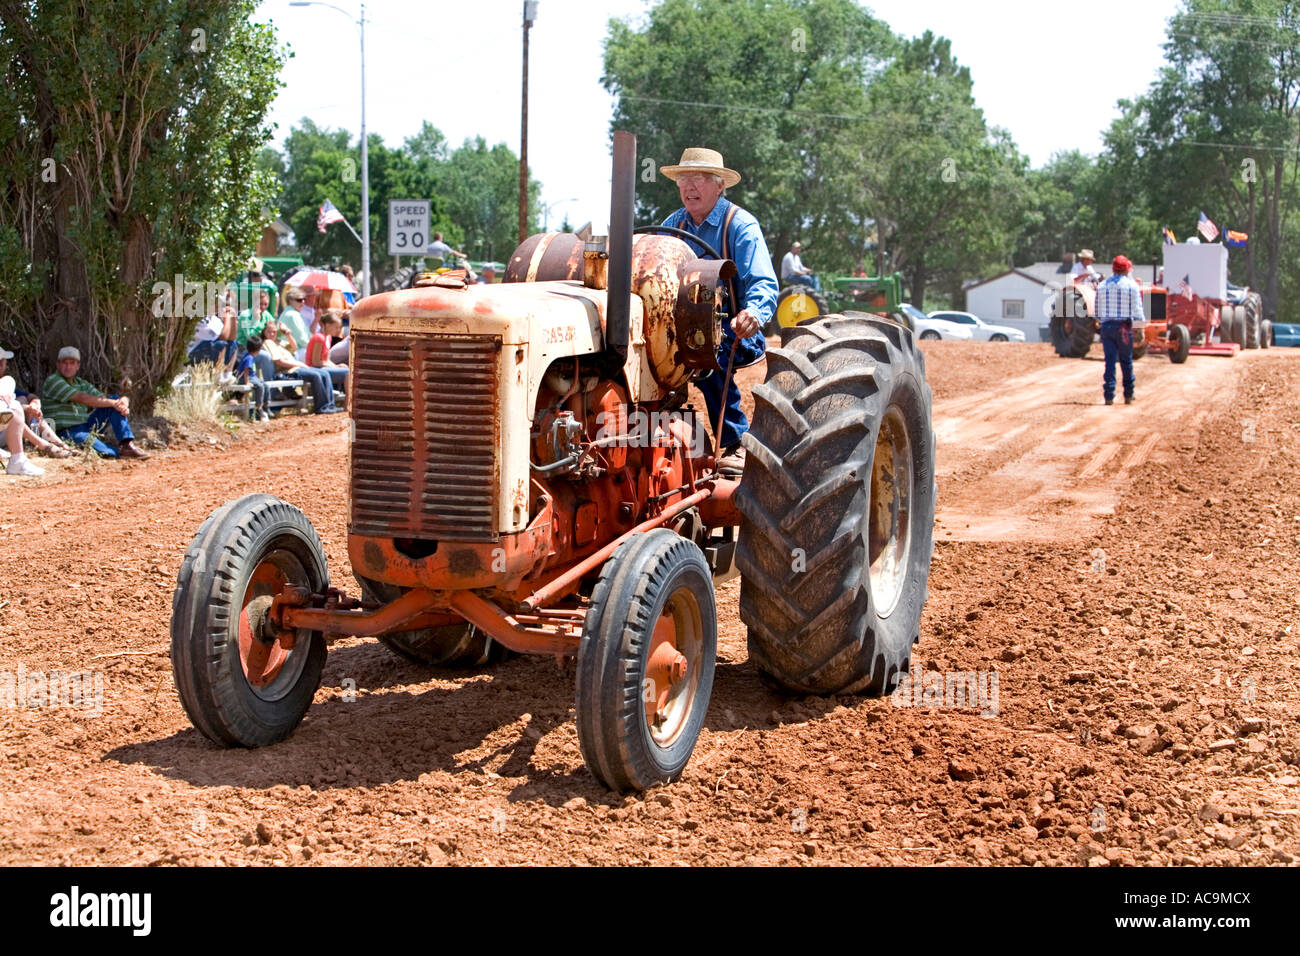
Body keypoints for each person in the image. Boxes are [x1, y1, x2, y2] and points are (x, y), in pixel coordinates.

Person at [660, 147, 777, 475]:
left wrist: (752, 314)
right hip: (681, 326)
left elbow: (764, 283)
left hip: (735, 329)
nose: (689, 187)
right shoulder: (673, 224)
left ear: (719, 186)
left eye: (697, 179)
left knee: (706, 350)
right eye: (683, 179)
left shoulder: (740, 226)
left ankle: (735, 441)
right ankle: (658, 431)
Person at [42, 347, 150, 459]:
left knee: (113, 399)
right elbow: (81, 398)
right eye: (64, 363)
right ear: (58, 365)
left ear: (77, 366)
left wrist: (123, 402)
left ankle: (126, 444)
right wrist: (115, 403)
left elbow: (103, 399)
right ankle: (117, 452)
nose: (68, 367)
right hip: (65, 432)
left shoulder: (81, 383)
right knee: (103, 451)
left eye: (72, 363)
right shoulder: (53, 381)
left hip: (85, 426)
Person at [0, 346, 70, 462]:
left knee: (21, 401)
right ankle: (45, 445)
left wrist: (34, 405)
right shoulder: (6, 382)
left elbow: (30, 397)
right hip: (5, 429)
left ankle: (57, 443)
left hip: (6, 427)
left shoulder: (4, 385)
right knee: (16, 407)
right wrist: (27, 409)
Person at [260, 320, 341, 414]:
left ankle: (330, 406)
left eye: (274, 331)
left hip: (297, 368)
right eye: (269, 332)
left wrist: (287, 334)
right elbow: (279, 361)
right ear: (264, 332)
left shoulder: (278, 342)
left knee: (325, 374)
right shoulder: (267, 342)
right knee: (316, 376)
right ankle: (322, 408)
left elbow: (294, 347)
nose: (272, 334)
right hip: (289, 372)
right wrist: (299, 364)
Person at [1095, 255, 1143, 406]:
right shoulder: (1131, 286)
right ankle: (1128, 394)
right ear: (1126, 269)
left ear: (1113, 268)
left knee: (1110, 361)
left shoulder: (1102, 285)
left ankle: (1109, 396)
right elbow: (1137, 309)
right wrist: (1140, 328)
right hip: (1124, 328)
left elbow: (1097, 311)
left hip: (1107, 327)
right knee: (1126, 360)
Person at [186, 301, 239, 377]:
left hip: (207, 351)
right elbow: (223, 337)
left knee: (233, 343)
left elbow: (232, 337)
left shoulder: (215, 319)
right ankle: (218, 375)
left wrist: (233, 318)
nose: (218, 306)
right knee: (221, 344)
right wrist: (227, 316)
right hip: (192, 354)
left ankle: (226, 375)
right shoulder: (200, 318)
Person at [305, 312, 349, 395]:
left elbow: (326, 359)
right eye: (336, 327)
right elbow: (315, 362)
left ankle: (346, 400)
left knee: (348, 370)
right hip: (314, 368)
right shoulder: (319, 338)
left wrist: (337, 366)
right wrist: (333, 367)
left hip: (322, 367)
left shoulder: (328, 337)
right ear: (328, 325)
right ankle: (348, 400)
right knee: (348, 373)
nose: (338, 330)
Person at [236, 334, 270, 422]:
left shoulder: (250, 356)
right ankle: (259, 408)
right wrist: (247, 382)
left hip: (252, 377)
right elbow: (246, 370)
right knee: (260, 386)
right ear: (258, 349)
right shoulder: (249, 358)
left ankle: (266, 405)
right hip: (245, 378)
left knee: (265, 385)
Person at [277, 286, 311, 358]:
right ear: (290, 301)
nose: (303, 302)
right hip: (292, 354)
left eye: (304, 299)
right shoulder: (293, 315)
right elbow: (303, 340)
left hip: (289, 352)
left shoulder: (288, 312)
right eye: (299, 300)